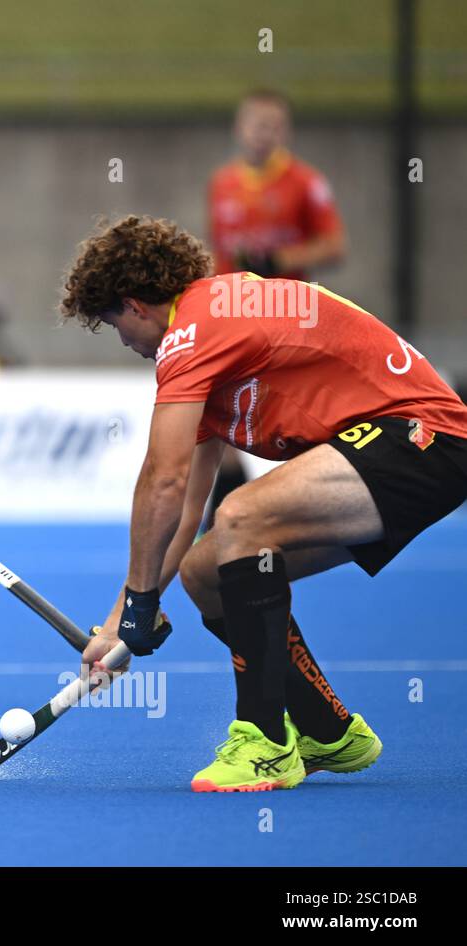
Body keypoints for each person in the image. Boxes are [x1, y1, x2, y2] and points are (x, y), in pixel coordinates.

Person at [64, 215, 467, 792]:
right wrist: (125, 617)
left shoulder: (194, 330)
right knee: (206, 572)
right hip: (388, 448)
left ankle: (266, 743)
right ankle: (329, 731)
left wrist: (138, 605)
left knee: (242, 518)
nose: (126, 342)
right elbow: (182, 507)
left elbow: (163, 479)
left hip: (424, 437)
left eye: (114, 325)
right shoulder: (209, 335)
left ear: (136, 305)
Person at [203, 88, 349, 527]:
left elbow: (334, 246)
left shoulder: (306, 183)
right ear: (239, 128)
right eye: (255, 125)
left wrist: (281, 261)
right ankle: (218, 520)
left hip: (288, 321)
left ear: (284, 131)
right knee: (217, 417)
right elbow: (219, 253)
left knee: (297, 422)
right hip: (233, 317)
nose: (262, 135)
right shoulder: (222, 183)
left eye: (272, 126)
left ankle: (307, 506)